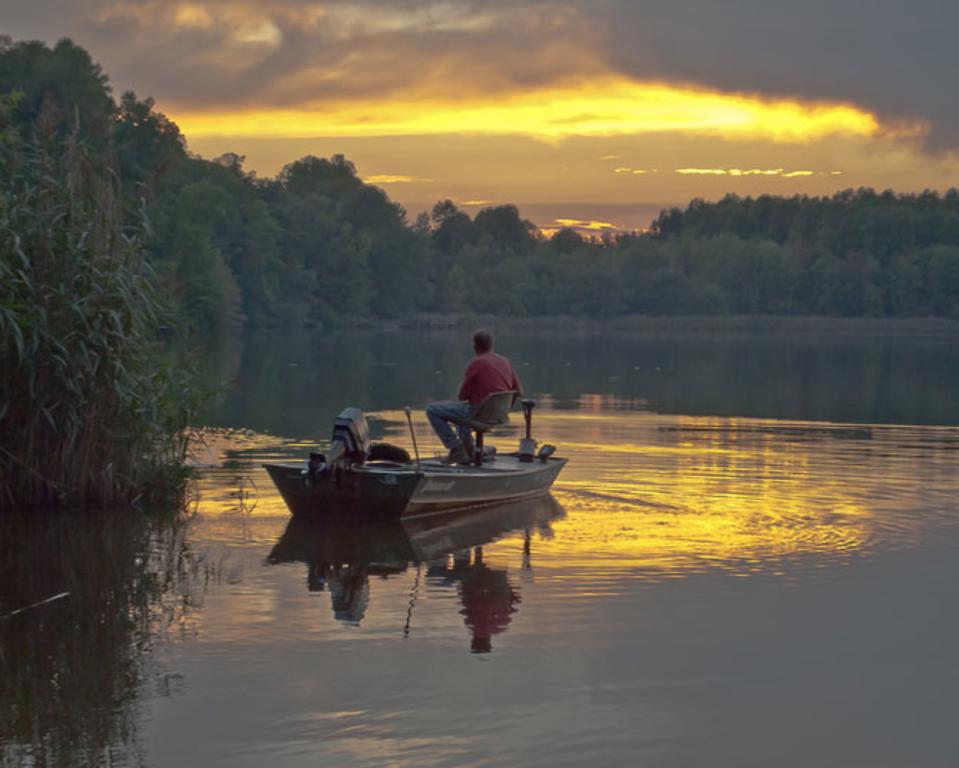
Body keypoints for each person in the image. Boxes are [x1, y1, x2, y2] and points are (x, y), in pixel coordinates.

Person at [426, 329, 522, 464]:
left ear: (475, 346)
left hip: (478, 414)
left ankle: (456, 449)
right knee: (463, 411)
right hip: (499, 415)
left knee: (432, 410)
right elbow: (519, 391)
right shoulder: (505, 361)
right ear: (492, 345)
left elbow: (462, 396)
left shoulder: (477, 362)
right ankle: (468, 449)